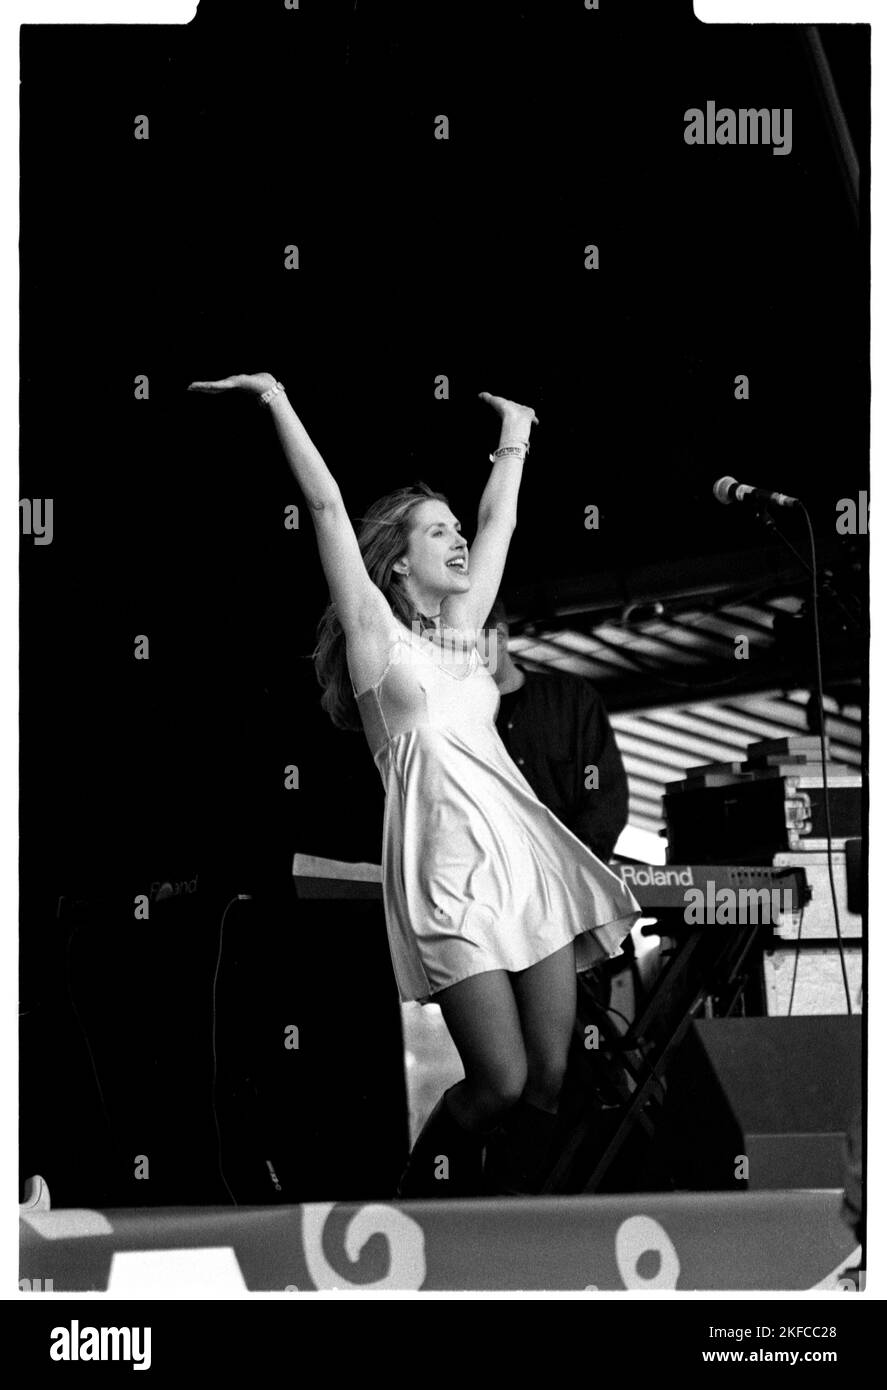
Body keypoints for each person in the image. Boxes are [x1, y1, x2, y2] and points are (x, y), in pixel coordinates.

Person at [187, 372, 641, 1198]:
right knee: (497, 1080)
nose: (459, 540)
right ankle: (409, 1202)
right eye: (438, 533)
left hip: (522, 866)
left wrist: (516, 432)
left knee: (547, 1079)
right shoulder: (375, 643)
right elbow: (326, 509)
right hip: (444, 879)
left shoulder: (467, 634)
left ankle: (503, 1230)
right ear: (396, 565)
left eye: (454, 527)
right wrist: (277, 398)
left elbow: (501, 516)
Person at [485, 599, 629, 862]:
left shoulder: (572, 702)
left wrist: (578, 859)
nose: (460, 659)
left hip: (568, 874)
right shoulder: (453, 717)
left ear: (501, 638)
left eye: (468, 646)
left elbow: (596, 782)